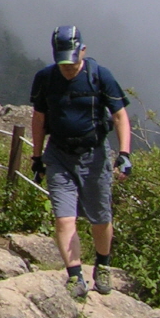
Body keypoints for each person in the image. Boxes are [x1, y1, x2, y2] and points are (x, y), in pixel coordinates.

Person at [28, 26, 132, 298]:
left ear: (83, 52)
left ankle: (103, 265)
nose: (68, 67)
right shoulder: (45, 79)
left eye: (72, 61)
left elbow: (120, 116)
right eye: (63, 61)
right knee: (64, 219)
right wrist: (37, 156)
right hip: (59, 155)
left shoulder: (100, 76)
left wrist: (125, 154)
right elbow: (39, 118)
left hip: (94, 155)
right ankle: (75, 276)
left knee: (100, 218)